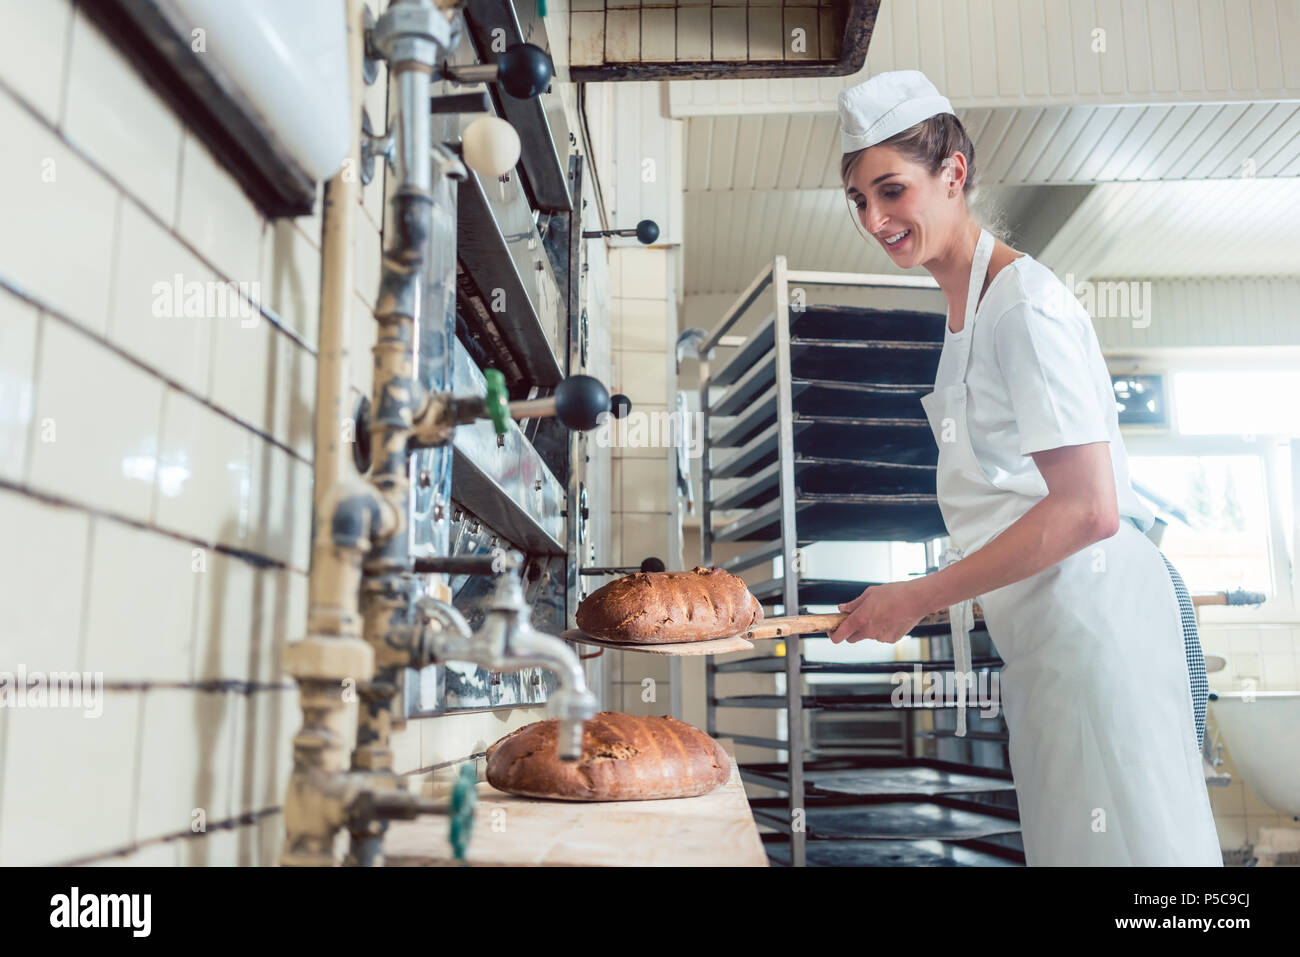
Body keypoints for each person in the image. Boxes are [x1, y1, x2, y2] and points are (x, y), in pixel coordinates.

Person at [827, 70, 1222, 866]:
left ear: (954, 173)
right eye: (859, 200)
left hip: (1097, 630)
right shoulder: (965, 314)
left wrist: (923, 594)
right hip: (1050, 639)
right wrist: (933, 592)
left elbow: (1088, 509)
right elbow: (1020, 499)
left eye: (891, 190)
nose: (874, 219)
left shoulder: (1023, 306)